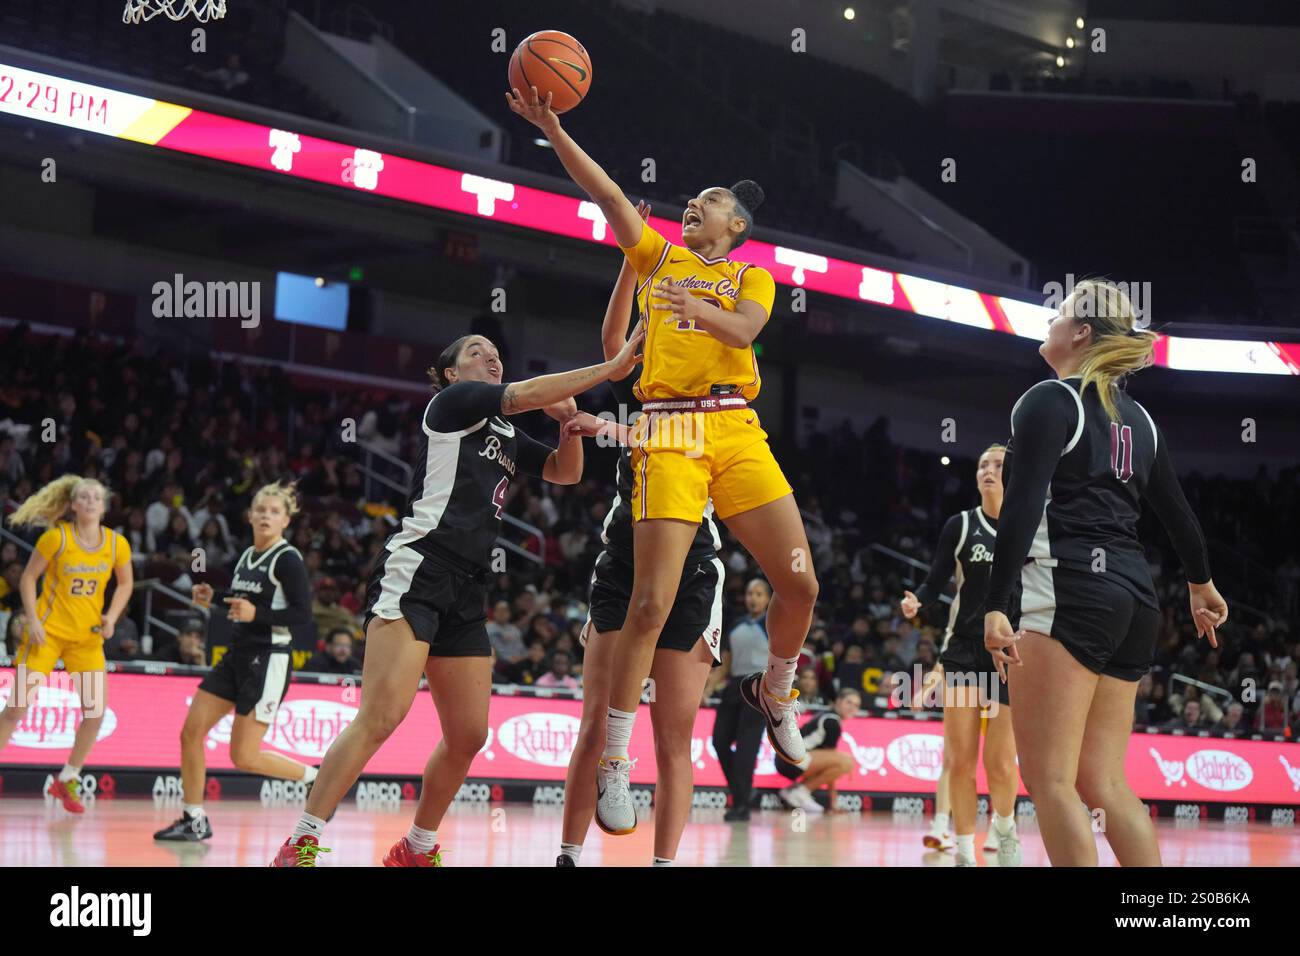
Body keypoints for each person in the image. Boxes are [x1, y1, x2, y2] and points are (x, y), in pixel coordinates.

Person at [507, 87, 819, 835]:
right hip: (669, 431)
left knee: (802, 585)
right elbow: (610, 194)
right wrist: (553, 128)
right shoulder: (658, 256)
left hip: (736, 430)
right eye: (691, 199)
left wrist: (694, 309)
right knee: (649, 604)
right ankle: (616, 760)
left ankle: (777, 690)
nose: (692, 205)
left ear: (735, 226)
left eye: (708, 201)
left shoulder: (751, 276)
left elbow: (744, 332)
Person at [271, 329, 644, 867]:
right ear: (451, 372)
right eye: (476, 351)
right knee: (382, 715)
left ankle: (417, 847)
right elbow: (525, 394)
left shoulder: (506, 434)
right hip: (420, 566)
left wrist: (570, 425)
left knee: (470, 735)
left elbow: (567, 472)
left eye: (496, 353)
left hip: (468, 586)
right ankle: (301, 841)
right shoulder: (453, 403)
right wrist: (609, 368)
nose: (491, 356)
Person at [984, 280, 1227, 867]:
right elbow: (1177, 513)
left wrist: (998, 603)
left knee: (1051, 782)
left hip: (1070, 591)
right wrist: (1200, 583)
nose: (1050, 321)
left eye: (1060, 313)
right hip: (1134, 601)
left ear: (1081, 332)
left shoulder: (1047, 399)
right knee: (1104, 783)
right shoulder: (1138, 419)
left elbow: (1020, 508)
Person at [557, 221, 726, 865]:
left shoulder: (723, 395)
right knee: (595, 722)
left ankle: (663, 862)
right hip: (623, 559)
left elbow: (684, 447)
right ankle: (569, 854)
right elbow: (609, 345)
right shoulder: (646, 380)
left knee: (673, 736)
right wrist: (634, 257)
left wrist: (614, 431)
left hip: (691, 567)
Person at [154, 482, 320, 842]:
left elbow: (302, 615)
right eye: (260, 509)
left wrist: (255, 613)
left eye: (274, 511)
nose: (265, 516)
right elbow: (243, 603)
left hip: (269, 660)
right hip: (237, 656)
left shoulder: (287, 558)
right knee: (190, 732)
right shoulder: (246, 556)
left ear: (285, 520)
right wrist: (215, 598)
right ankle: (194, 818)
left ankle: (315, 779)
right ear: (249, 515)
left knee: (243, 757)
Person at [901, 444, 1022, 867]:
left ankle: (1005, 827)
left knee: (1001, 764)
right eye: (982, 465)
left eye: (998, 465)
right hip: (965, 652)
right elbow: (935, 581)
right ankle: (965, 852)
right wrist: (918, 600)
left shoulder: (1030, 525)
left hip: (1010, 654)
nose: (988, 471)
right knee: (960, 761)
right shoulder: (961, 525)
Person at [0, 476, 133, 813]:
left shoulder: (117, 545)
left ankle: (67, 778)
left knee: (95, 712)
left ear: (104, 506)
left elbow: (126, 584)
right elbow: (29, 578)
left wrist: (112, 617)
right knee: (15, 708)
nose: (90, 501)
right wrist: (33, 618)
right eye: (83, 497)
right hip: (48, 635)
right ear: (73, 505)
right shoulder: (55, 538)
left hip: (86, 641)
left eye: (95, 497)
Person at [710, 578, 773, 823]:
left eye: (758, 594)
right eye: (749, 593)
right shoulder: (736, 624)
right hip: (734, 686)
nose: (753, 598)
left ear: (768, 598)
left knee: (747, 750)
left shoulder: (774, 624)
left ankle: (741, 804)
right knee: (719, 741)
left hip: (760, 688)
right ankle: (743, 792)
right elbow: (725, 661)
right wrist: (708, 689)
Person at [774, 688, 861, 814]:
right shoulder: (832, 722)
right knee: (846, 762)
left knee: (839, 762)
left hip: (786, 759)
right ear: (838, 701)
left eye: (856, 705)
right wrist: (834, 802)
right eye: (849, 702)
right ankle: (800, 793)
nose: (852, 708)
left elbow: (830, 764)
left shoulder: (827, 716)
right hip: (790, 760)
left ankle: (793, 791)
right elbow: (836, 761)